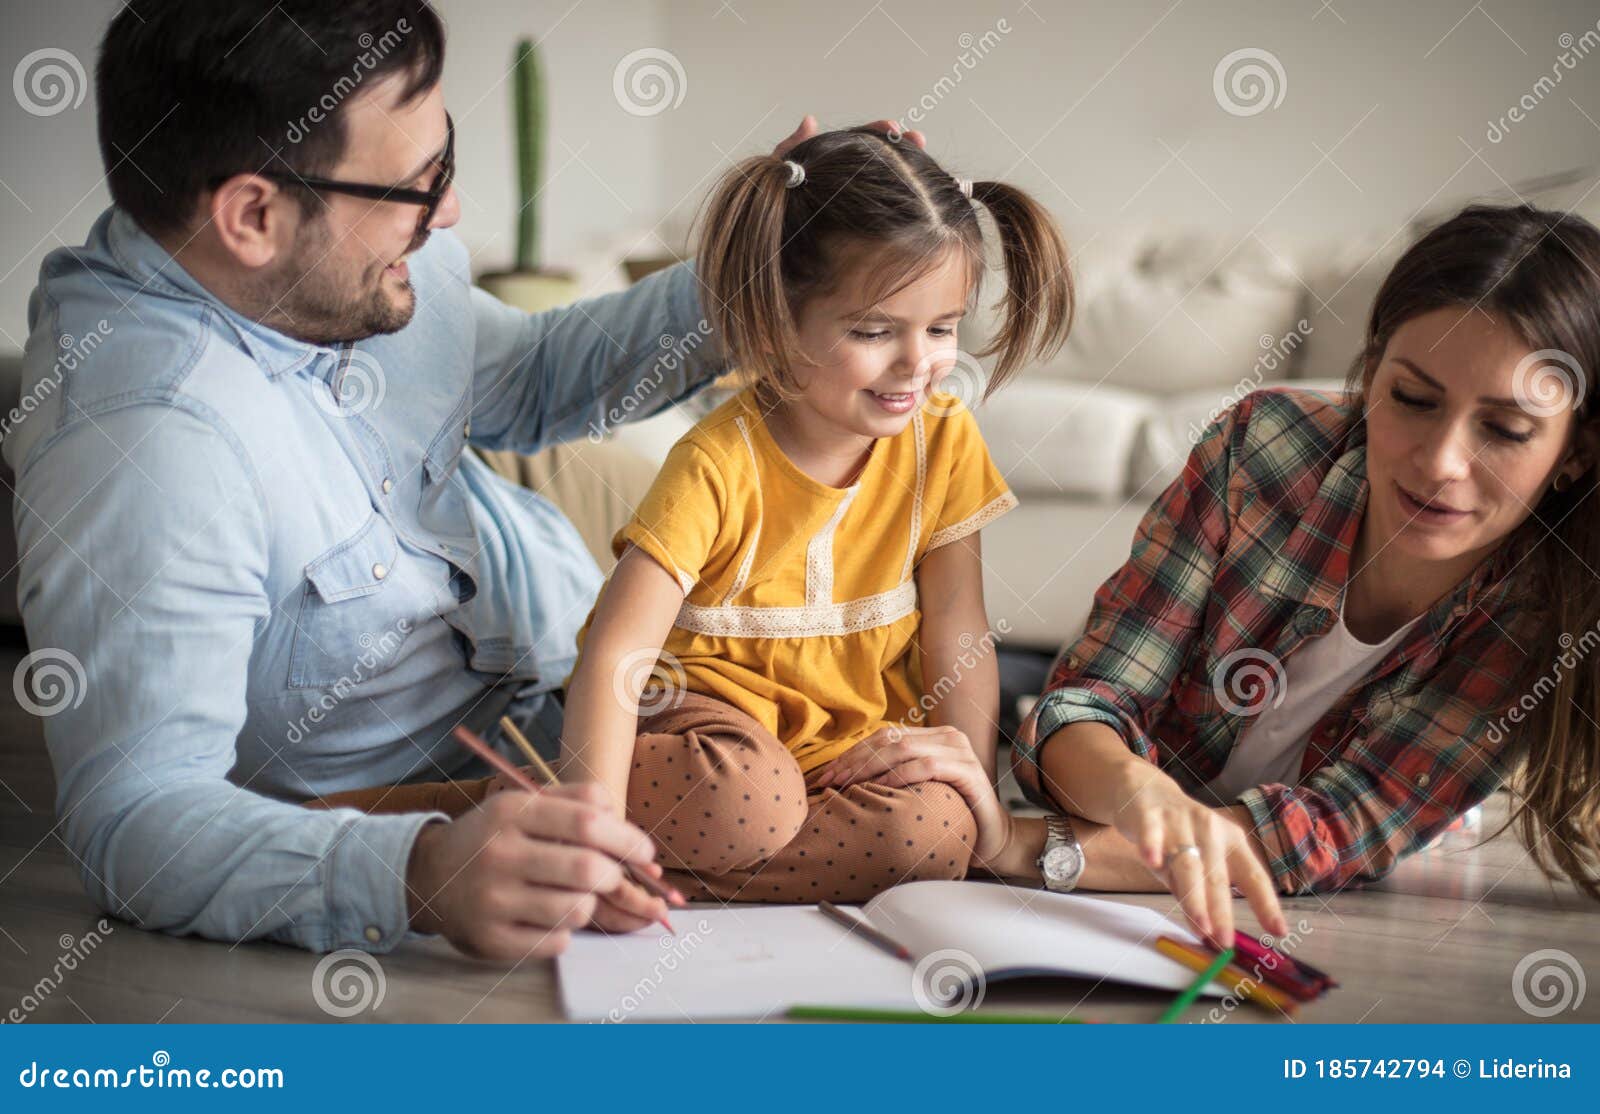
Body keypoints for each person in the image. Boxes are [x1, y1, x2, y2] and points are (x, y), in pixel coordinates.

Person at [3, 0, 920, 963]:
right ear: (254, 215)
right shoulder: (146, 450)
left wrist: (757, 268)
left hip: (610, 679)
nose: (448, 214)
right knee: (877, 822)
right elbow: (138, 822)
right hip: (478, 787)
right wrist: (418, 872)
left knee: (912, 757)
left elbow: (529, 380)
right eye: (415, 185)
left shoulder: (369, 258)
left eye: (447, 158)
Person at [319, 125, 1073, 905]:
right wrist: (597, 831)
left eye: (942, 329)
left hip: (846, 754)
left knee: (937, 833)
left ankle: (618, 850)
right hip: (709, 739)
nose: (919, 363)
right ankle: (546, 827)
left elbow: (958, 629)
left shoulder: (942, 438)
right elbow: (618, 652)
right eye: (875, 331)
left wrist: (972, 782)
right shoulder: (718, 461)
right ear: (777, 325)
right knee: (747, 802)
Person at [1013, 203, 1600, 950]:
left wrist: (1022, 847)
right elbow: (1085, 701)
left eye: (1506, 429)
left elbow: (1330, 831)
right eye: (1412, 399)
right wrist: (1133, 790)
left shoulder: (1552, 609)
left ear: (1576, 452)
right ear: (1371, 371)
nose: (1441, 462)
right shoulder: (1263, 449)